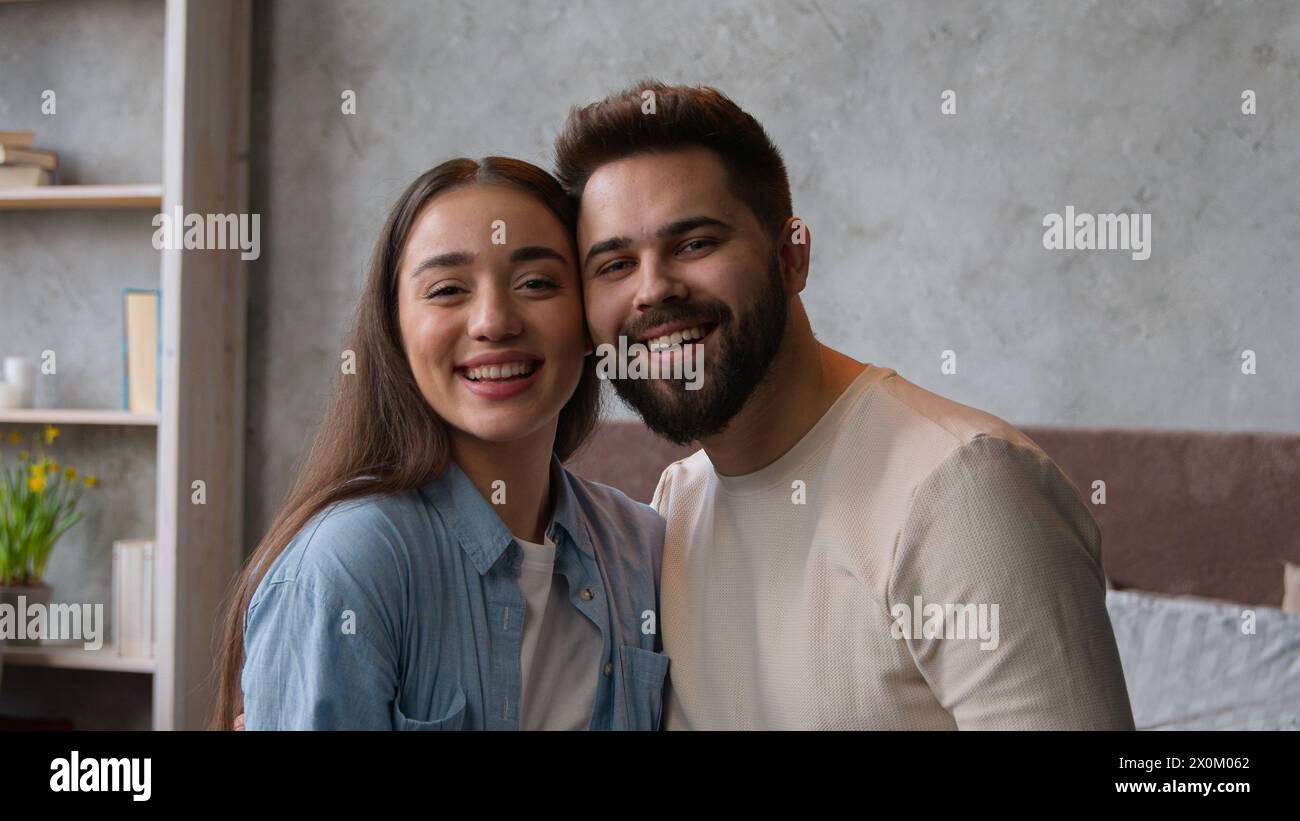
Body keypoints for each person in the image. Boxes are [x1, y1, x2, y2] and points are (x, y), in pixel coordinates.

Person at [555, 81, 1136, 730]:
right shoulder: (677, 506)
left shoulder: (963, 489)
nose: (653, 288)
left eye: (694, 244)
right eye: (614, 265)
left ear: (790, 256)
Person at [215, 157, 667, 731]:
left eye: (536, 283)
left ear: (588, 319)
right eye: (447, 289)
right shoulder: (347, 565)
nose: (494, 322)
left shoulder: (643, 548)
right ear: (396, 331)